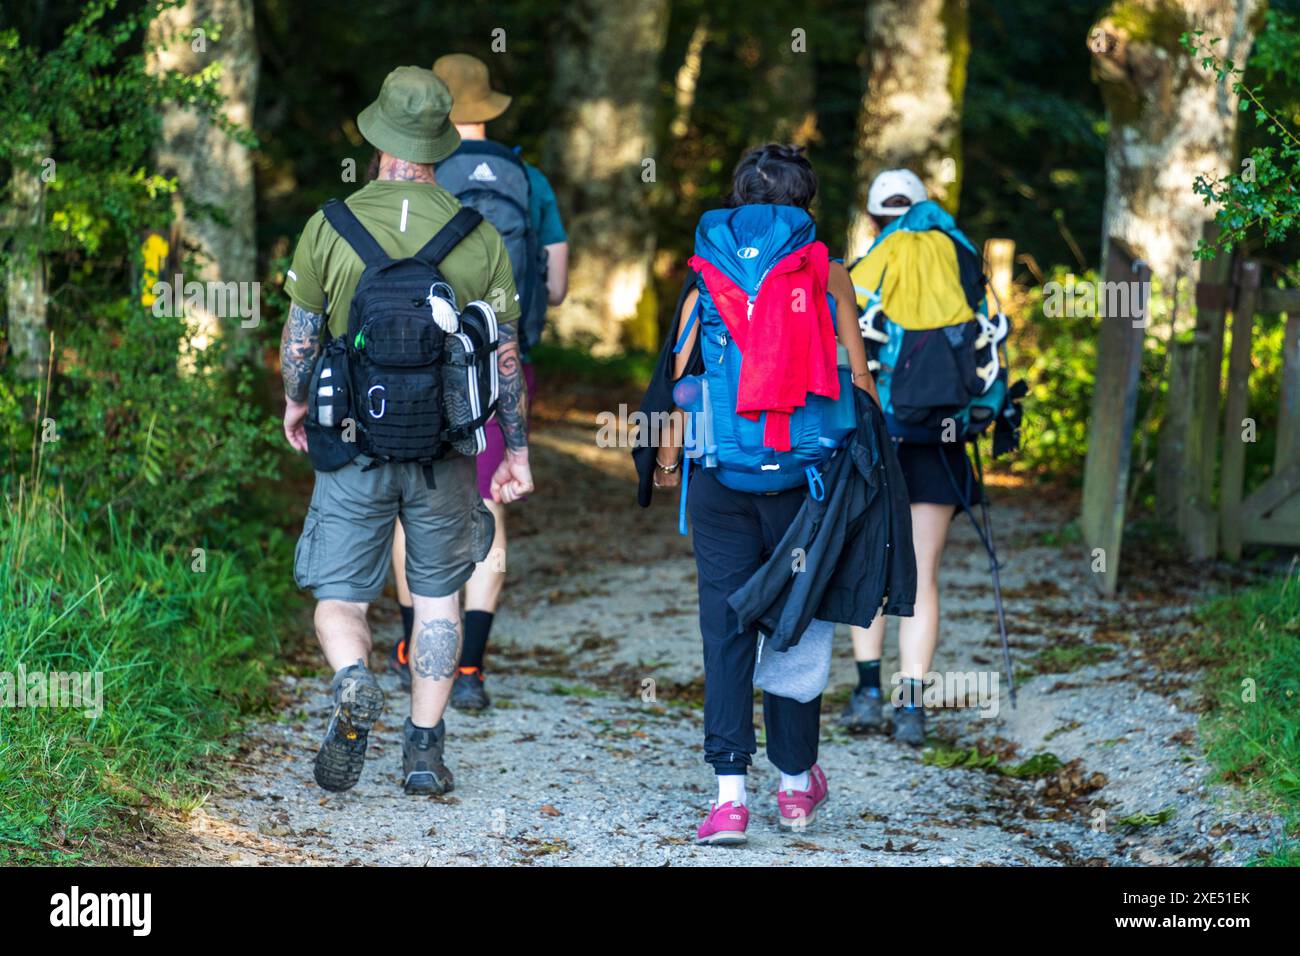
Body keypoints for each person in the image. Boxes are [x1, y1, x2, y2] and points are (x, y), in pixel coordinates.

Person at [280, 66, 534, 796]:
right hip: (446, 452)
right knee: (436, 599)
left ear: (378, 134)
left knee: (340, 597)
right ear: (438, 143)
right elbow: (505, 357)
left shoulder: (328, 226)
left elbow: (300, 342)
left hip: (350, 443)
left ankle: (355, 680)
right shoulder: (479, 235)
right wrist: (514, 450)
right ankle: (423, 751)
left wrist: (297, 402)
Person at [654, 145, 879, 846]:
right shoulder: (829, 273)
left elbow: (678, 373)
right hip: (806, 484)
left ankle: (728, 799)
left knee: (725, 627)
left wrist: (666, 459)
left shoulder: (705, 269)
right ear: (805, 204)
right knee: (799, 620)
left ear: (739, 198)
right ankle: (792, 789)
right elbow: (861, 383)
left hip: (722, 479)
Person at [387, 52, 569, 711]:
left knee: (415, 505)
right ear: (488, 107)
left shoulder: (418, 176)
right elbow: (554, 284)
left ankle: (412, 648)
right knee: (485, 501)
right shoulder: (528, 181)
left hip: (415, 368)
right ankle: (468, 668)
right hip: (497, 364)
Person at [839, 168, 982, 746]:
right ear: (927, 210)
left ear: (874, 220)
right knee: (923, 573)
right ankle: (912, 706)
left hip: (876, 438)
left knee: (869, 567)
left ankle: (868, 693)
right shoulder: (962, 260)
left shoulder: (865, 269)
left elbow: (842, 357)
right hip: (942, 440)